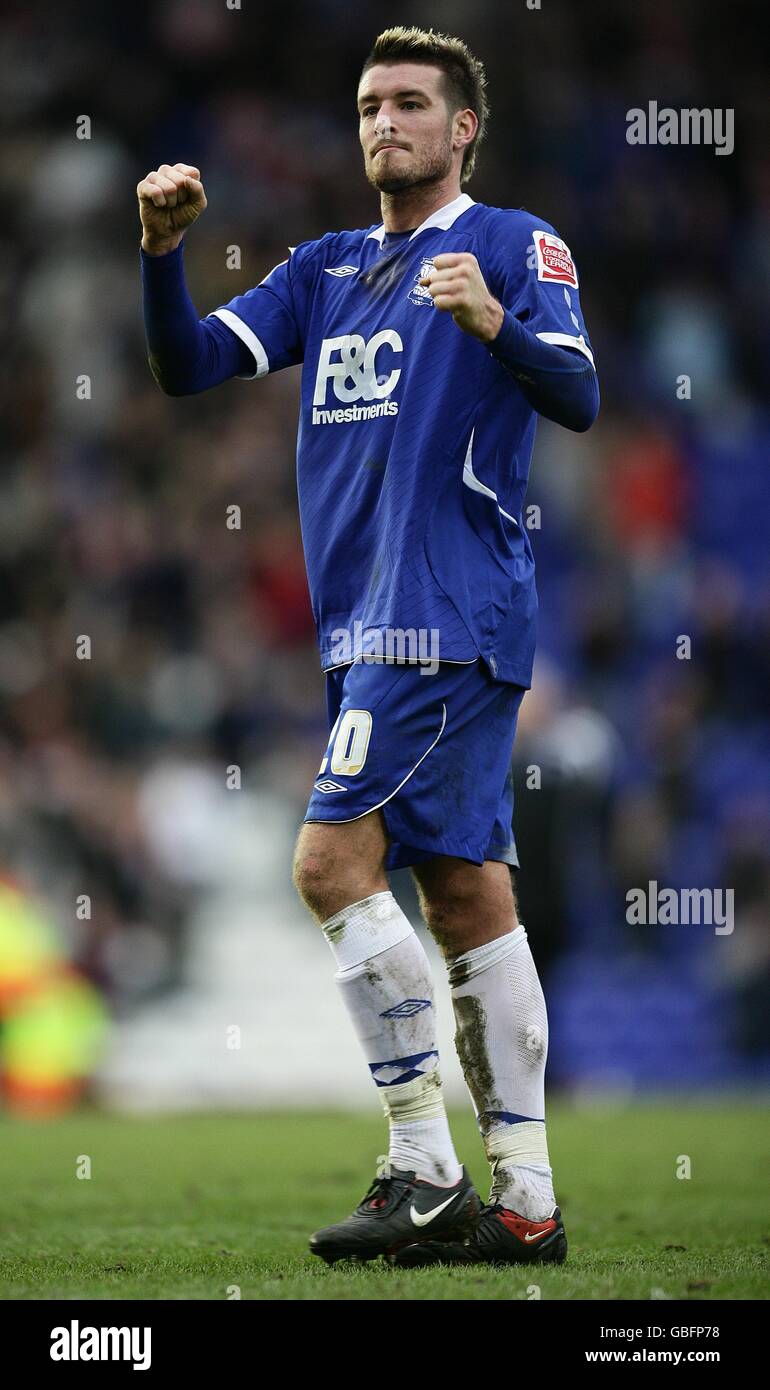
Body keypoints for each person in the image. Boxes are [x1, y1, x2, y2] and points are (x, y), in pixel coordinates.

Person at [138, 24, 599, 1268]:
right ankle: (527, 1204)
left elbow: (577, 389)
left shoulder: (508, 243)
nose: (382, 122)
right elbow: (185, 364)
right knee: (464, 895)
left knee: (328, 864)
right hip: (368, 629)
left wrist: (496, 320)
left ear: (461, 129)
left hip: (441, 612)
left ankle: (420, 1165)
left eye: (408, 103)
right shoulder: (328, 268)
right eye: (365, 104)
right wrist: (162, 258)